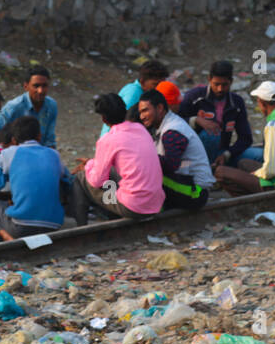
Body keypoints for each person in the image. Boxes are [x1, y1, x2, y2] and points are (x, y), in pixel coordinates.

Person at [0, 116, 70, 241]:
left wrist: (4, 196)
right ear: (39, 136)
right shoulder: (54, 154)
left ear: (13, 139)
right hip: (53, 226)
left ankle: (7, 238)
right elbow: (66, 181)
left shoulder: (9, 153)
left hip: (20, 228)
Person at [69, 93, 164, 225]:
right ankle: (113, 215)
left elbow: (97, 181)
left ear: (104, 119)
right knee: (111, 172)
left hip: (133, 207)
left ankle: (80, 228)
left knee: (81, 178)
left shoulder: (108, 140)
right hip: (156, 203)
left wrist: (88, 166)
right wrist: (93, 163)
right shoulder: (141, 129)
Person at [213, 81, 275, 195]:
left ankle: (254, 202)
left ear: (261, 103)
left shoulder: (274, 124)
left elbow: (271, 169)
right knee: (243, 163)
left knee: (220, 172)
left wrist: (255, 174)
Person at [137, 89, 214, 210]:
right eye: (140, 112)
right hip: (184, 183)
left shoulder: (172, 131)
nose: (142, 116)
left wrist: (141, 157)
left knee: (143, 174)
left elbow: (170, 165)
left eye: (145, 110)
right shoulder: (164, 125)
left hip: (196, 192)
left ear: (160, 108)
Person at [177, 60, 254, 168]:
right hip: (195, 152)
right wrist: (196, 120)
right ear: (209, 79)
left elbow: (246, 138)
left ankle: (216, 167)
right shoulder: (195, 97)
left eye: (224, 85)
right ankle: (207, 171)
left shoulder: (237, 102)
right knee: (212, 133)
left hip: (223, 152)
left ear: (231, 81)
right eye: (216, 84)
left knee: (258, 155)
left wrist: (227, 154)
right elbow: (176, 121)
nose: (220, 89)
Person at [100, 59, 170, 136]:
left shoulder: (144, 93)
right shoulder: (134, 93)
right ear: (143, 82)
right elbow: (122, 120)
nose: (159, 88)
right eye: (155, 84)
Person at [0, 66, 58, 148]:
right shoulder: (14, 107)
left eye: (44, 86)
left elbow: (49, 139)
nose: (40, 91)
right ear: (26, 86)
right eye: (36, 86)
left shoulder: (51, 105)